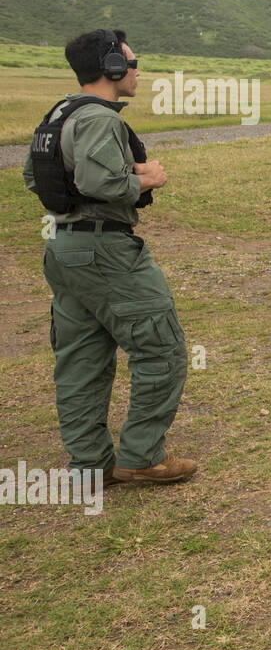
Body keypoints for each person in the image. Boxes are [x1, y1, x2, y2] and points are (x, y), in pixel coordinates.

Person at [22, 29, 194, 485]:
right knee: (163, 348)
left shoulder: (60, 114)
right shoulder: (100, 118)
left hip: (65, 247)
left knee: (81, 359)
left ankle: (89, 465)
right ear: (112, 68)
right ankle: (141, 455)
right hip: (106, 249)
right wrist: (146, 179)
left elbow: (35, 176)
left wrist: (120, 172)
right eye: (132, 62)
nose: (137, 70)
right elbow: (104, 186)